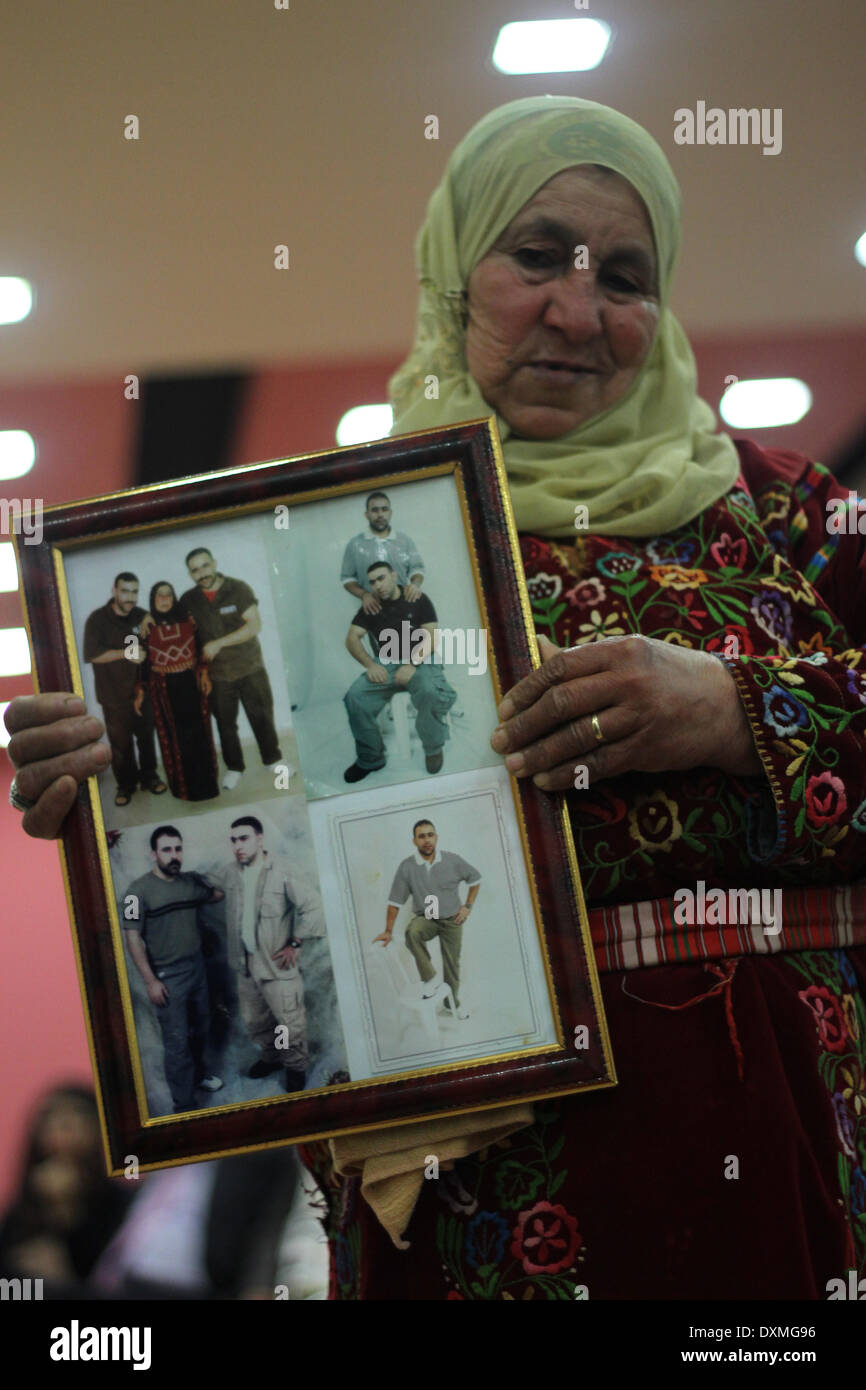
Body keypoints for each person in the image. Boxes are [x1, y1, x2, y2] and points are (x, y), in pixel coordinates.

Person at [7, 95, 866, 1301]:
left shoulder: (790, 518)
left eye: (623, 275)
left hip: (778, 1149)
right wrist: (125, 760)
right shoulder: (310, 538)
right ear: (450, 276)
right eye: (534, 257)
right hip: (473, 1194)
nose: (576, 311)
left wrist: (735, 708)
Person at [203, 816, 326, 1094]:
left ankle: (295, 1067)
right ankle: (273, 1058)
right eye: (233, 840)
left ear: (260, 839)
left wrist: (295, 943)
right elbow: (208, 885)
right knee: (256, 1021)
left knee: (289, 1022)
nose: (238, 845)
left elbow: (314, 907)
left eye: (244, 838)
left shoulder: (282, 870)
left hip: (276, 965)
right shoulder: (230, 872)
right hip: (244, 965)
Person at [123, 825, 224, 1113]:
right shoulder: (136, 892)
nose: (174, 855)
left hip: (197, 969)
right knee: (177, 1041)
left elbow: (218, 894)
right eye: (167, 850)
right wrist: (150, 981)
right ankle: (185, 1105)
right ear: (154, 854)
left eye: (178, 849)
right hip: (167, 976)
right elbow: (132, 938)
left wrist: (202, 874)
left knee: (201, 1028)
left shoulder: (189, 883)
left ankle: (200, 1076)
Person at [0, 1085, 132, 1292]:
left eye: (77, 1113)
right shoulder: (21, 1208)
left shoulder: (122, 1204)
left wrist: (66, 1210)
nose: (63, 1124)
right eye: (51, 1115)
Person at [343, 560, 457, 781]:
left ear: (394, 575)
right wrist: (371, 665)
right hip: (387, 661)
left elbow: (431, 637)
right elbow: (352, 638)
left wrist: (411, 664)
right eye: (373, 582)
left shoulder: (416, 598)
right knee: (354, 697)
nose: (378, 585)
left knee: (430, 692)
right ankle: (370, 758)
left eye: (382, 578)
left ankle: (433, 748)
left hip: (421, 658)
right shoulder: (371, 606)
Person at [181, 547, 283, 792]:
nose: (201, 573)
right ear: (190, 574)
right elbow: (180, 632)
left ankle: (274, 760)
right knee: (226, 725)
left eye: (205, 566)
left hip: (250, 667)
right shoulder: (188, 600)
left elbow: (254, 625)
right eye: (195, 570)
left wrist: (219, 642)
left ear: (214, 564)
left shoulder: (238, 588)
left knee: (262, 717)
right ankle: (235, 768)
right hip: (218, 676)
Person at [374, 819, 481, 1021]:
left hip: (452, 918)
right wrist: (388, 931)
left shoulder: (452, 860)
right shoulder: (407, 866)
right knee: (412, 931)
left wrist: (467, 907)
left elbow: (475, 880)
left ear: (436, 837)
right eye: (421, 836)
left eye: (430, 835)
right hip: (429, 915)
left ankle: (451, 1005)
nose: (427, 840)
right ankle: (429, 978)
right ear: (414, 841)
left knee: (452, 963)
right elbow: (394, 902)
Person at [82, 572, 167, 807]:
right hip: (113, 696)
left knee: (147, 739)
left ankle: (150, 777)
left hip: (142, 693)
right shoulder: (97, 620)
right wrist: (125, 653)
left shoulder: (140, 615)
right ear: (114, 591)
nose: (130, 597)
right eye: (125, 591)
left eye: (134, 592)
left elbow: (158, 632)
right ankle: (126, 785)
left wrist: (151, 616)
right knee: (121, 745)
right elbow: (92, 655)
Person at [134, 581, 219, 802]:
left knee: (200, 736)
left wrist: (204, 673)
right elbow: (140, 663)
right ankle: (183, 791)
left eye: (168, 595)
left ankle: (207, 787)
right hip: (164, 692)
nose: (164, 599)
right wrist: (141, 692)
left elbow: (201, 649)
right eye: (159, 595)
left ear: (174, 598)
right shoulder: (146, 627)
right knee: (175, 741)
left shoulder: (188, 621)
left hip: (192, 687)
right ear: (153, 599)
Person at [340, 490, 425, 613]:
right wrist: (364, 595)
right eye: (374, 510)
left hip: (405, 606)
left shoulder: (404, 541)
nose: (380, 514)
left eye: (384, 509)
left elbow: (417, 569)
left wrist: (415, 585)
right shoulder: (355, 544)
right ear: (366, 514)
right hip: (374, 611)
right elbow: (347, 579)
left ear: (390, 513)